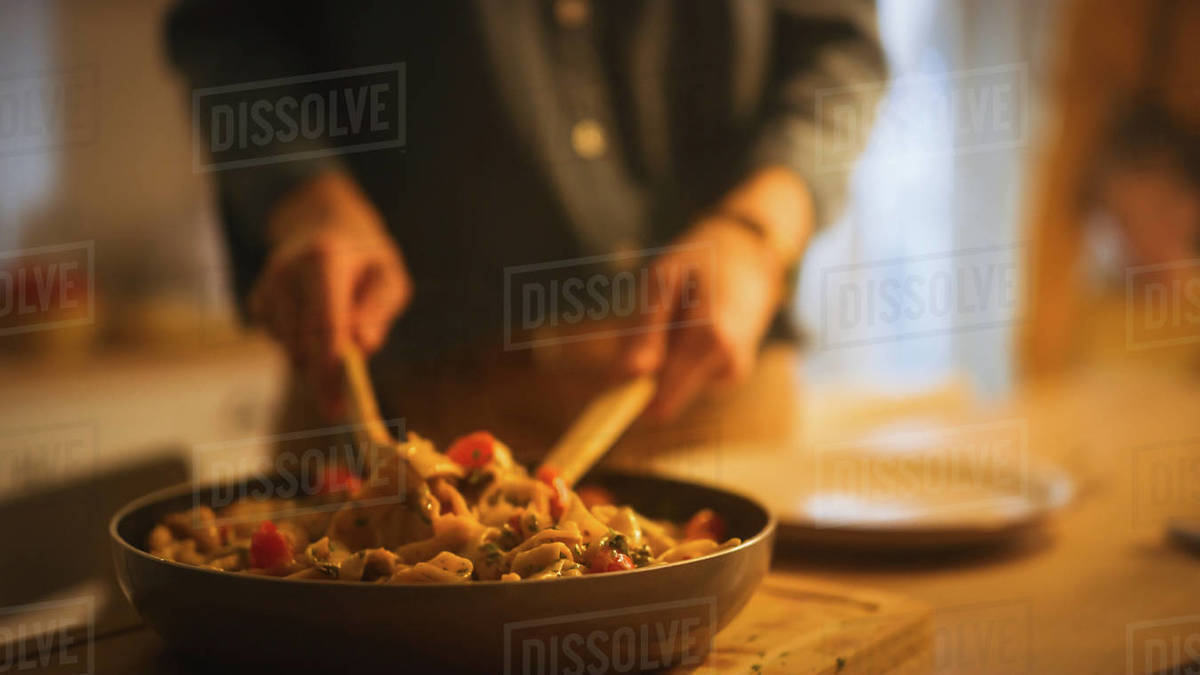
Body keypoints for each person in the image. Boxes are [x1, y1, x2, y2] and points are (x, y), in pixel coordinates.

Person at [166, 1, 885, 432]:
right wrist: (309, 197)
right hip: (387, 398)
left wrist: (755, 228)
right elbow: (229, 31)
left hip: (710, 395)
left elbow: (839, 47)